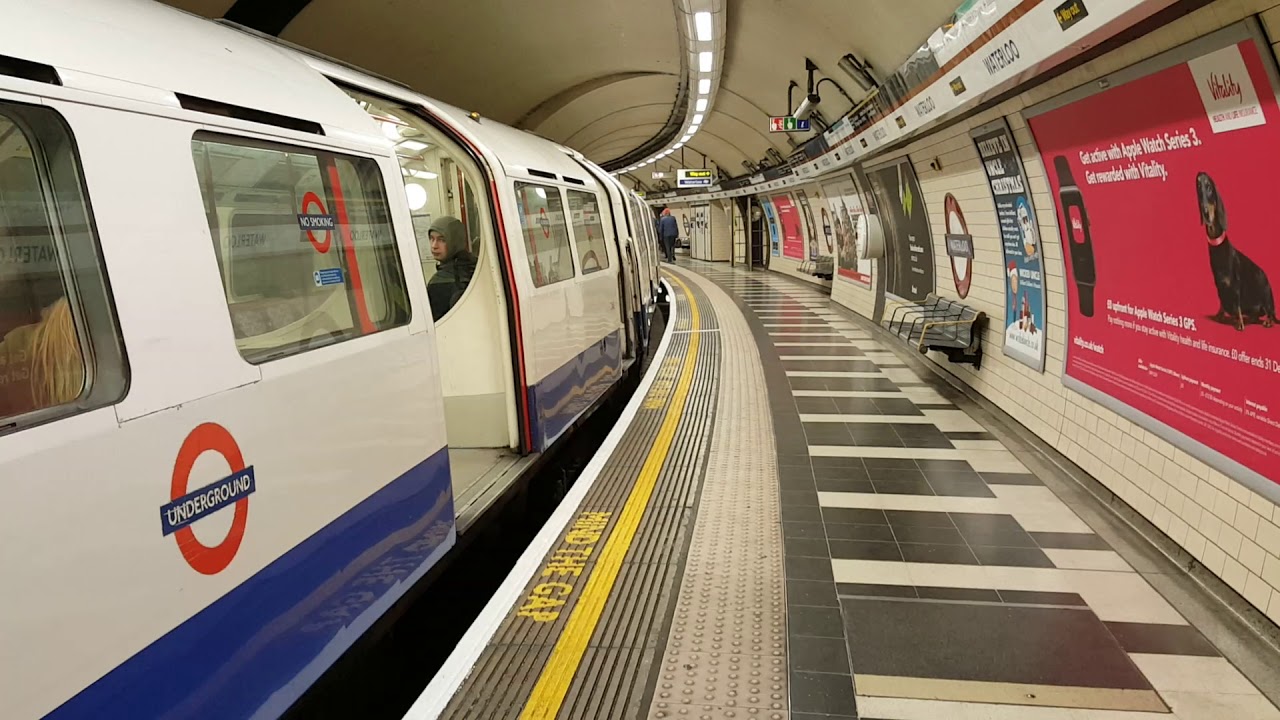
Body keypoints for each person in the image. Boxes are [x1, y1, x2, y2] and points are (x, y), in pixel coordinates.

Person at [426, 216, 477, 320]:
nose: (434, 246)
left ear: (454, 241)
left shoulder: (438, 284)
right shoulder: (477, 265)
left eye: (442, 240)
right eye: (432, 238)